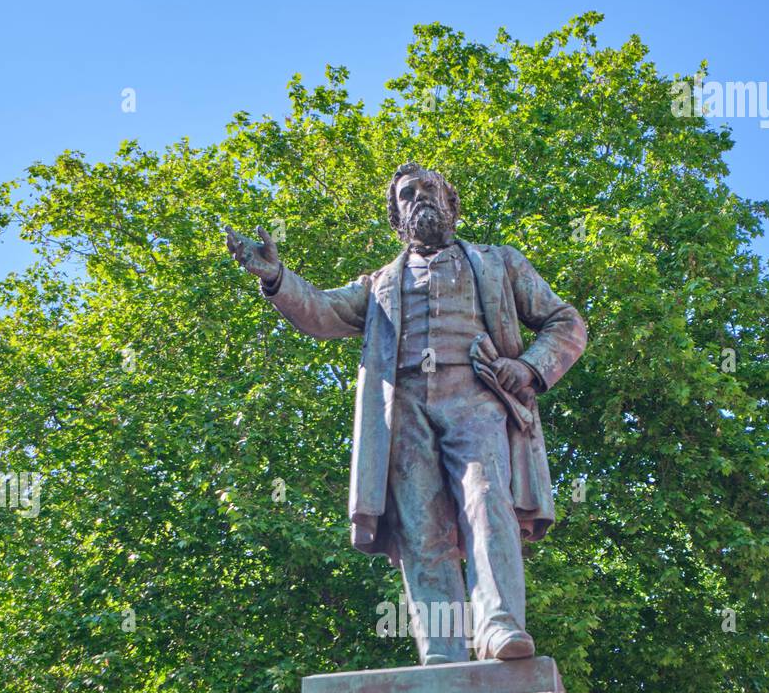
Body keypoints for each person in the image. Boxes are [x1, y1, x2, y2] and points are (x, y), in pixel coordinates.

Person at [226, 165, 587, 665]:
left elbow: (566, 321)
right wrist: (276, 278)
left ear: (451, 204)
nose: (420, 200)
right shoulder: (380, 285)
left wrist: (529, 368)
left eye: (429, 191)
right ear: (397, 217)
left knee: (486, 502)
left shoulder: (499, 263)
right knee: (422, 526)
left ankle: (499, 625)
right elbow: (323, 311)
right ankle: (442, 649)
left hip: (478, 397)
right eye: (408, 196)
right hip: (405, 408)